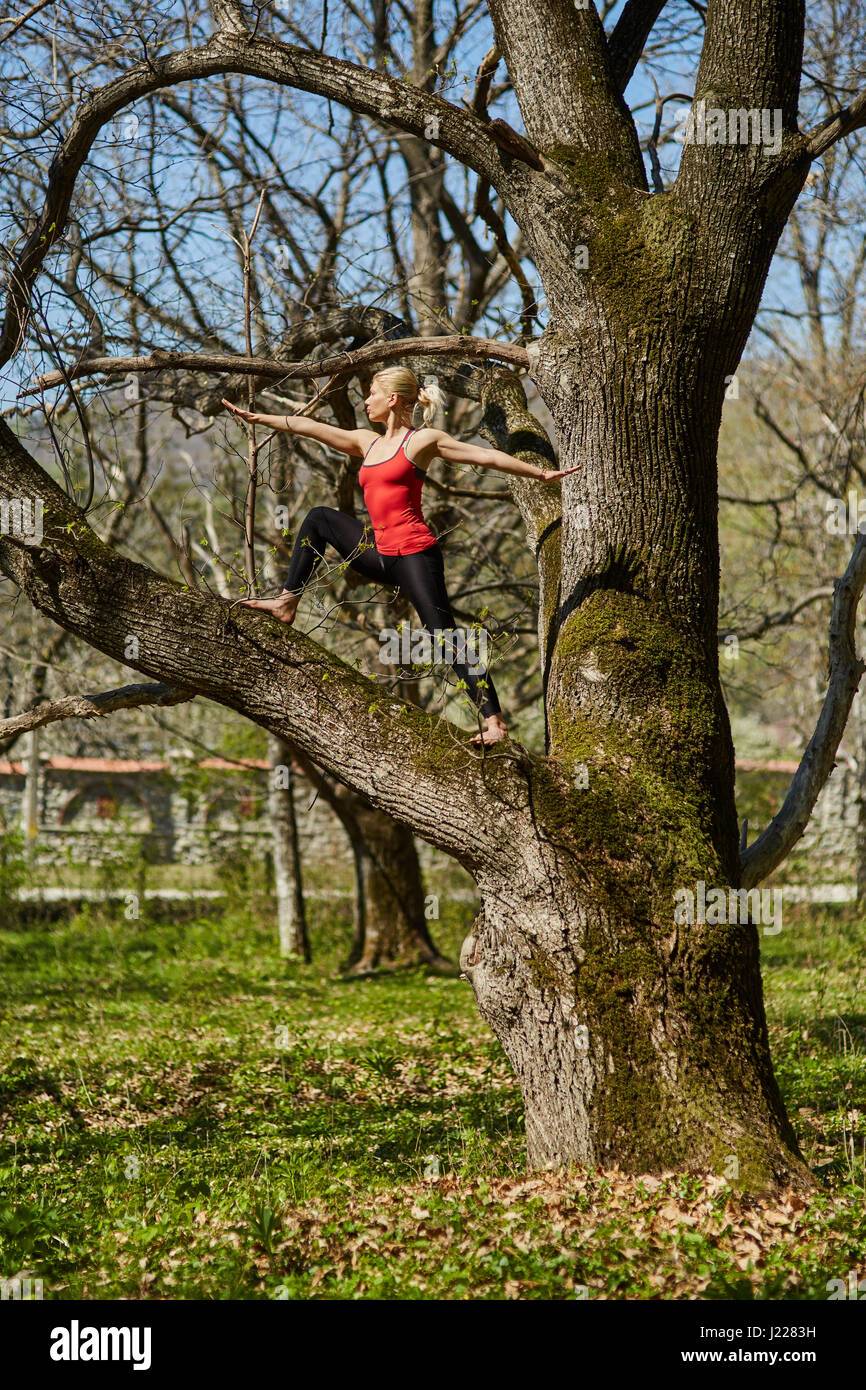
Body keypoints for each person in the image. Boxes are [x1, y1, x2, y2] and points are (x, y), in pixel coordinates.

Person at [221, 367, 579, 745]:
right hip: (377, 553)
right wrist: (261, 418)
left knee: (443, 635)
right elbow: (312, 428)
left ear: (392, 398)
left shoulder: (421, 441)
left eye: (372, 393)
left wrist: (539, 474)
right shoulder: (366, 442)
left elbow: (482, 456)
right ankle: (286, 602)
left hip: (414, 556)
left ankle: (494, 723)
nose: (366, 400)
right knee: (318, 519)